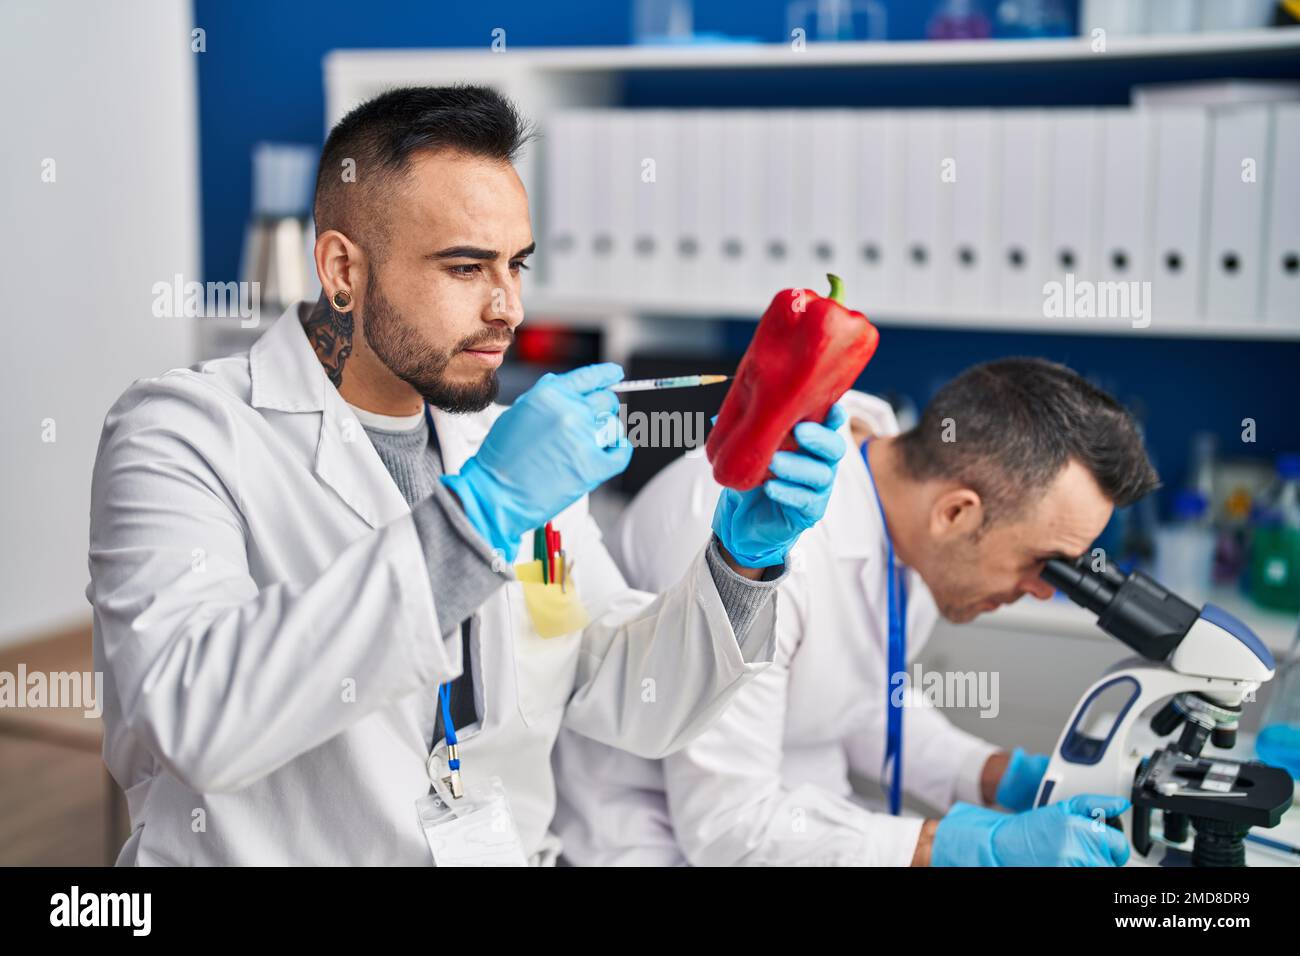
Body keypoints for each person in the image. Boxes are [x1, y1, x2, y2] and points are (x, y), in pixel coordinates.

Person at [86, 85, 847, 865]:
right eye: (464, 267)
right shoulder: (181, 434)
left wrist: (741, 563)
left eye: (515, 265)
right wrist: (478, 516)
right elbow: (190, 719)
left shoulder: (496, 441)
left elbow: (624, 692)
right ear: (342, 269)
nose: (509, 306)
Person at [553, 359, 1160, 866]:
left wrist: (999, 775)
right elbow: (727, 830)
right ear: (956, 513)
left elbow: (854, 701)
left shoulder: (905, 512)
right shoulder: (764, 530)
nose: (1044, 591)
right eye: (1043, 563)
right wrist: (970, 847)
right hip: (657, 845)